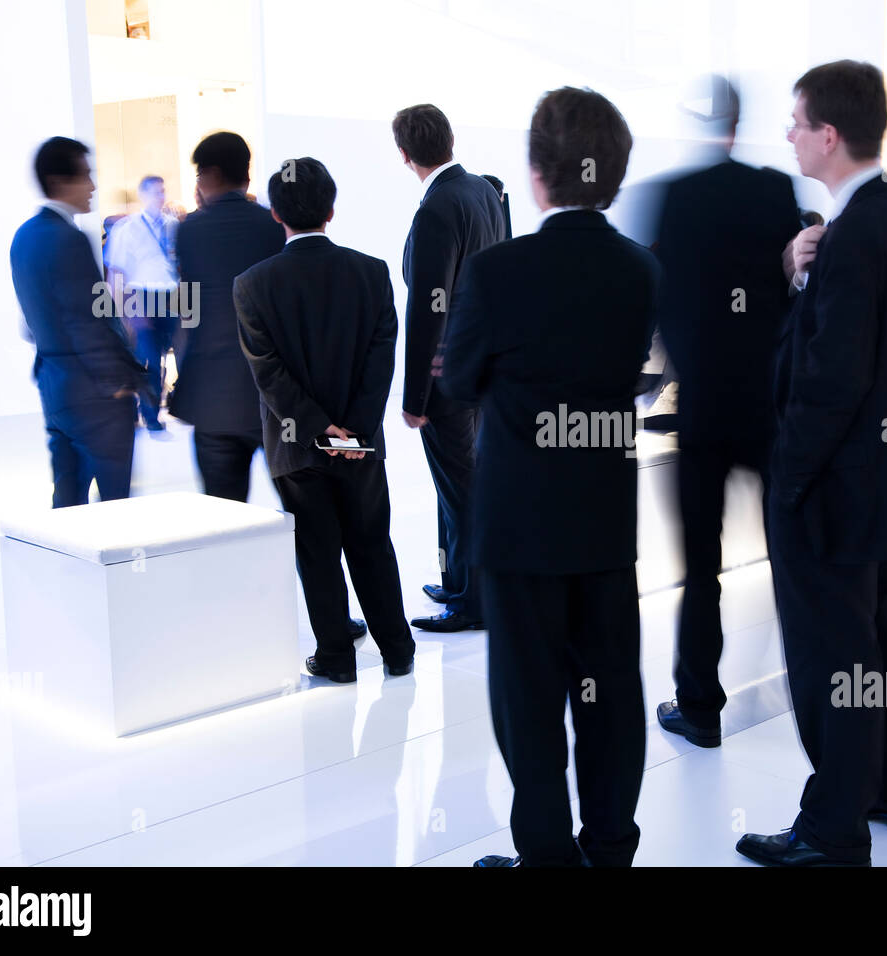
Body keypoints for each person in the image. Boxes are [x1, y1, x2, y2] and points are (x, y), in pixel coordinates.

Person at [440, 87, 659, 867]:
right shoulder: (640, 270)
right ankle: (610, 848)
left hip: (520, 524)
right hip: (603, 517)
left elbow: (459, 380)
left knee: (527, 706)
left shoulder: (498, 272)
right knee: (610, 695)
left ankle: (546, 855)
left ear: (537, 173)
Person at [737, 61, 887, 868]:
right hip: (886, 477)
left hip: (832, 483)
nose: (787, 134)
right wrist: (796, 273)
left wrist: (787, 480)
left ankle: (832, 827)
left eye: (795, 121)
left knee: (836, 659)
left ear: (828, 135)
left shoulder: (857, 232)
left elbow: (830, 376)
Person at [649, 75, 800, 747]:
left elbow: (668, 308)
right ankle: (816, 681)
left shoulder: (675, 198)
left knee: (701, 568)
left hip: (705, 410)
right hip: (766, 406)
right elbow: (788, 295)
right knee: (790, 557)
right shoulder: (774, 191)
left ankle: (700, 705)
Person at [235, 157, 415, 683]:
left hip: (297, 447)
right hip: (359, 445)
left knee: (317, 551)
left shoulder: (251, 284)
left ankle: (335, 656)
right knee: (372, 544)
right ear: (331, 209)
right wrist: (352, 428)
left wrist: (318, 427)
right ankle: (398, 649)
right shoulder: (371, 271)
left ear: (275, 214)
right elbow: (382, 356)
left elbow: (267, 372)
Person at [393, 104, 507, 633]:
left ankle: (472, 601)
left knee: (460, 490)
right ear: (450, 139)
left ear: (404, 154)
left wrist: (415, 396)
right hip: (482, 369)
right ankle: (458, 580)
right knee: (460, 485)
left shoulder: (437, 208)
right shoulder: (484, 192)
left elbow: (427, 310)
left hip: (447, 377)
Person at [10, 136, 147, 508]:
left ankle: (63, 567)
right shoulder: (68, 239)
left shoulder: (24, 237)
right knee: (116, 502)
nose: (92, 185)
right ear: (59, 181)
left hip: (53, 383)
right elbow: (87, 321)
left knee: (67, 500)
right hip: (94, 394)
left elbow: (30, 323)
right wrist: (117, 381)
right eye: (85, 176)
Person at [170, 132, 284, 502]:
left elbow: (187, 316)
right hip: (275, 399)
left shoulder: (190, 231)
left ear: (212, 175)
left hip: (212, 401)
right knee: (303, 516)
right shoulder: (273, 225)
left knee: (224, 519)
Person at [104, 175, 179, 431]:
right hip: (141, 296)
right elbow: (117, 272)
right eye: (156, 192)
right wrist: (123, 312)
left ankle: (160, 407)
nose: (161, 196)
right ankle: (150, 414)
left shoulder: (173, 226)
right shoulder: (128, 229)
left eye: (163, 191)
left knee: (168, 355)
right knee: (149, 356)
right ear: (144, 195)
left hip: (172, 295)